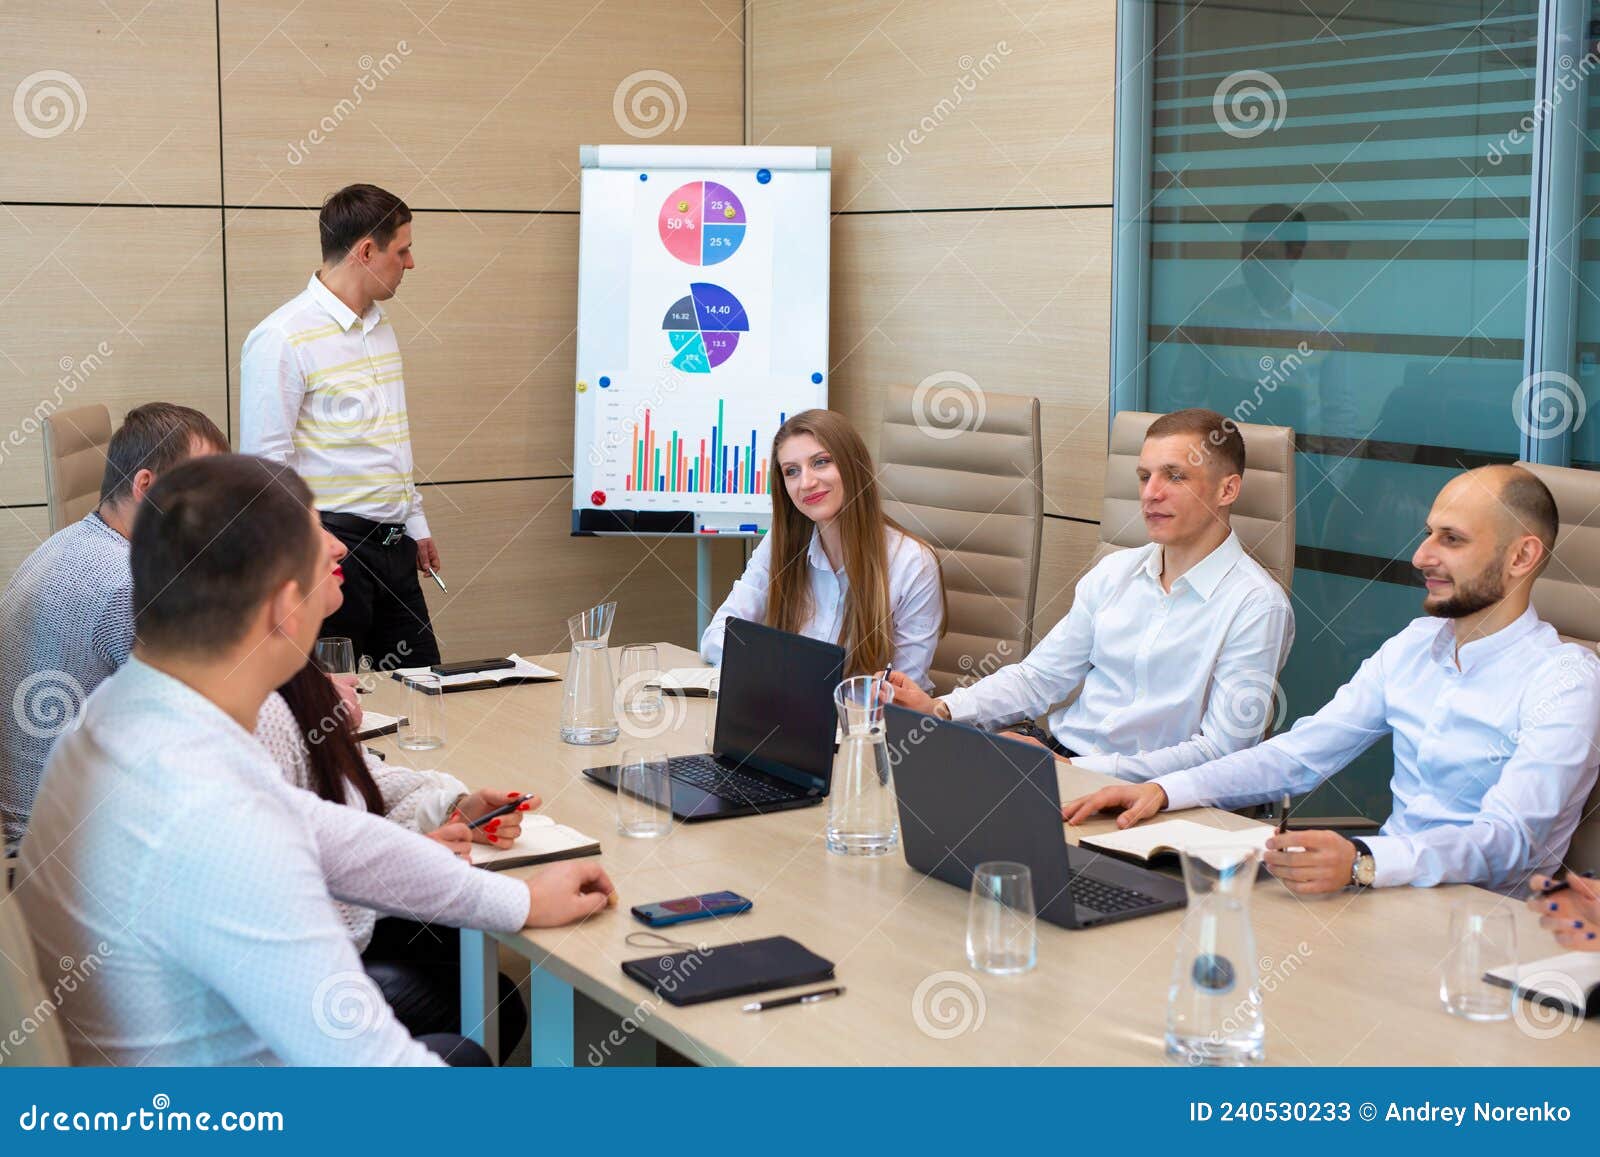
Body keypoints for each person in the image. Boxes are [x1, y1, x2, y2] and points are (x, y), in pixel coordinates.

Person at [15, 454, 615, 1065]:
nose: (339, 547)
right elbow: (378, 1068)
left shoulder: (126, 711)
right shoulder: (212, 814)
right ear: (282, 606)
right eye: (316, 538)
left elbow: (330, 833)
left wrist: (519, 902)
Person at [1064, 465, 1600, 896]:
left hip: (1484, 924)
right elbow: (1300, 755)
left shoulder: (1565, 681)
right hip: (1385, 892)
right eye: (1428, 534)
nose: (1421, 557)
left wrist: (1366, 859)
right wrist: (1165, 789)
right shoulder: (1415, 646)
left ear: (1522, 556)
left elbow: (1508, 840)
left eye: (1452, 540)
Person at [889, 408, 1293, 780]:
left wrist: (1079, 770)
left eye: (1174, 476)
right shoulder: (1115, 572)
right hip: (1060, 760)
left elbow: (1222, 752)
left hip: (1153, 794)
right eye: (1144, 476)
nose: (1150, 493)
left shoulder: (1257, 605)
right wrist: (941, 709)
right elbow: (1039, 679)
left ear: (1227, 490)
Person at [257, 534, 536, 1059]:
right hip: (284, 984)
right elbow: (275, 902)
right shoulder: (260, 708)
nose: (340, 545)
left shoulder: (287, 671)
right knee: (487, 1008)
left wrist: (452, 807)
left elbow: (353, 785)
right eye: (311, 528)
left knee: (479, 975)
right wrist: (415, 860)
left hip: (322, 938)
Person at [0, 402, 228, 853]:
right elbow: (211, 722)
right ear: (146, 485)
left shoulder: (66, 544)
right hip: (70, 845)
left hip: (37, 819)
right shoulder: (127, 583)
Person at [240, 182, 441, 670]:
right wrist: (312, 552)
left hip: (396, 548)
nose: (411, 263)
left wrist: (415, 523)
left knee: (425, 689)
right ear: (366, 251)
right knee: (334, 700)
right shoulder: (281, 337)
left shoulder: (379, 325)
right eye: (402, 250)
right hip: (332, 552)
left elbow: (390, 438)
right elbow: (266, 467)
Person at [700, 409, 945, 688]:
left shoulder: (913, 562)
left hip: (861, 715)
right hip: (787, 705)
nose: (806, 483)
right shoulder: (780, 543)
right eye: (792, 471)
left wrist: (779, 669)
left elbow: (904, 692)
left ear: (853, 466)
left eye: (821, 462)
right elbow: (717, 636)